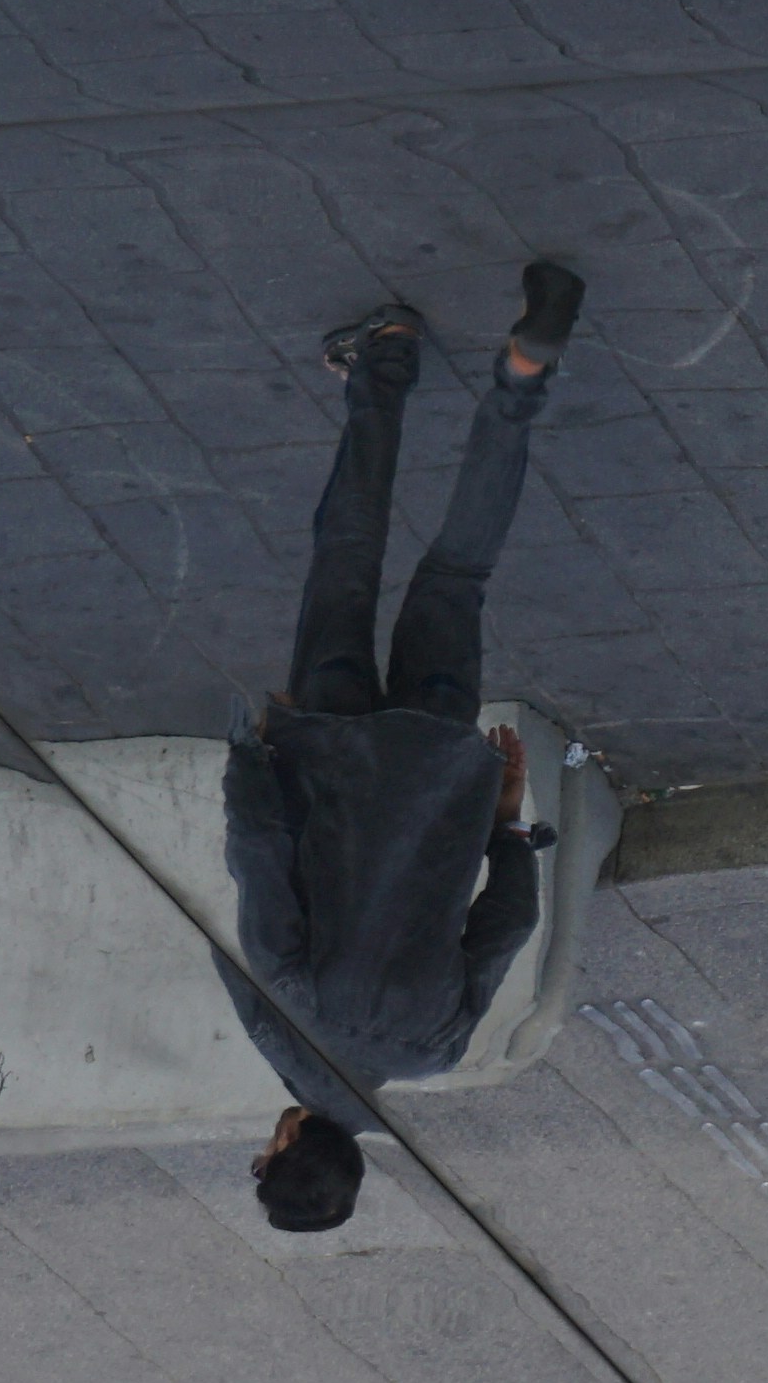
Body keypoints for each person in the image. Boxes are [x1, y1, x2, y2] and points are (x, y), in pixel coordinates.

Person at [226, 267, 584, 1234]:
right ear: (293, 1147)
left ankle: (519, 379)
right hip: (329, 742)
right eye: (263, 1159)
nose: (260, 1147)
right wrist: (250, 752)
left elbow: (506, 925)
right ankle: (384, 359)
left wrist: (503, 817)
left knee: (459, 575)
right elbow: (259, 854)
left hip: (440, 759)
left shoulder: (438, 1048)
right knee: (346, 557)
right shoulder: (283, 1013)